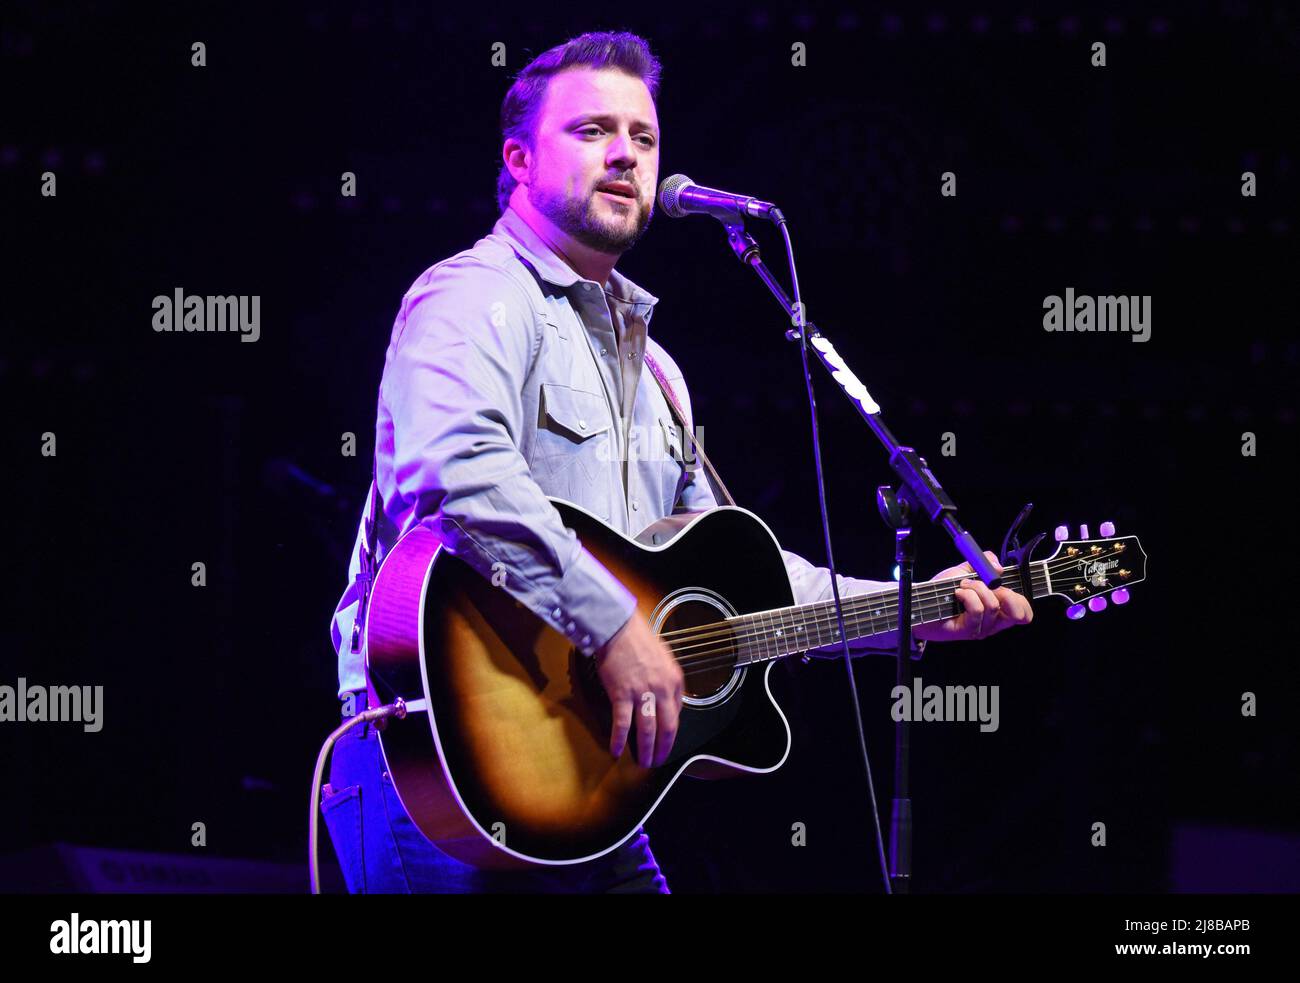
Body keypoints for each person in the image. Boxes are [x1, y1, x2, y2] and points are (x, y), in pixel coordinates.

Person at [323, 30, 1032, 894]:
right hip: (442, 774)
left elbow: (750, 579)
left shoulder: (659, 371)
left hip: (595, 790)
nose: (625, 153)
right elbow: (456, 477)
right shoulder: (473, 297)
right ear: (518, 158)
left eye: (644, 137)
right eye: (591, 132)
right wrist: (613, 622)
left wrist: (917, 613)